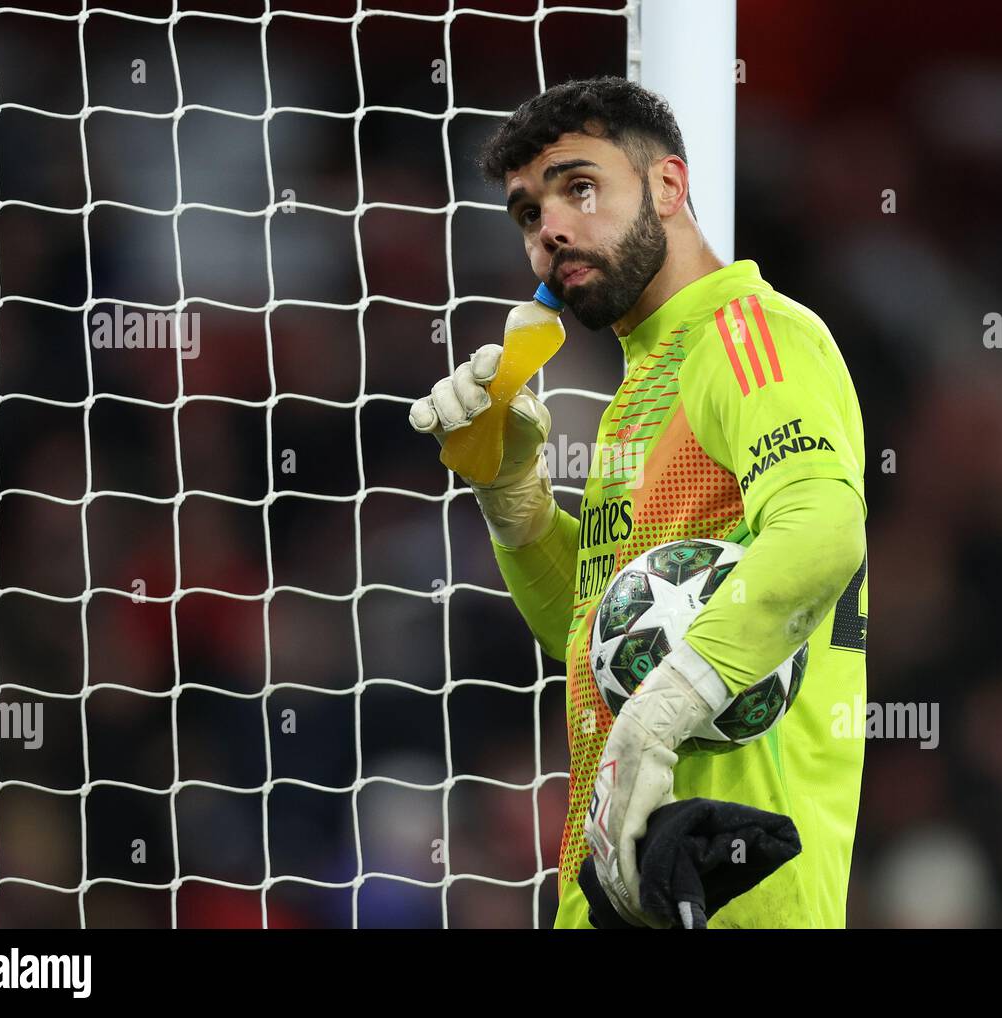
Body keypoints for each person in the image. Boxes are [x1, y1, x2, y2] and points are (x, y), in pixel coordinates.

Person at [408, 76, 868, 929]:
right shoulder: (642, 388)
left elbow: (822, 533)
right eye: (527, 214)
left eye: (580, 187)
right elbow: (591, 634)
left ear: (668, 185)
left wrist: (659, 719)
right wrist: (515, 503)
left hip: (735, 895)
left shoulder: (754, 334)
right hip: (624, 897)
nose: (550, 229)